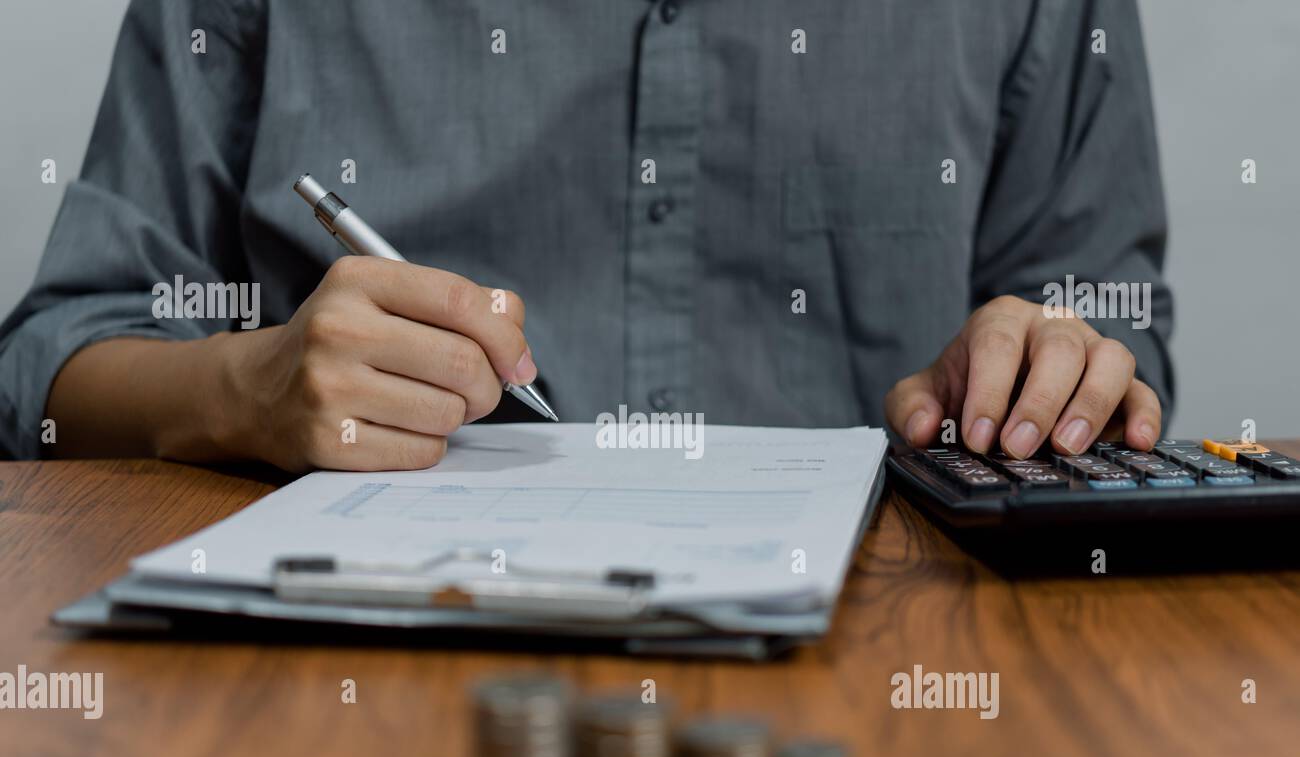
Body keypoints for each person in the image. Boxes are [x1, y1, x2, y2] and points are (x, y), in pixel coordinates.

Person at [0, 0, 1172, 472]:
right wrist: (242, 388)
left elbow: (1120, 354)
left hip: (894, 691)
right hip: (353, 686)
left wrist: (1055, 365)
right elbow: (44, 374)